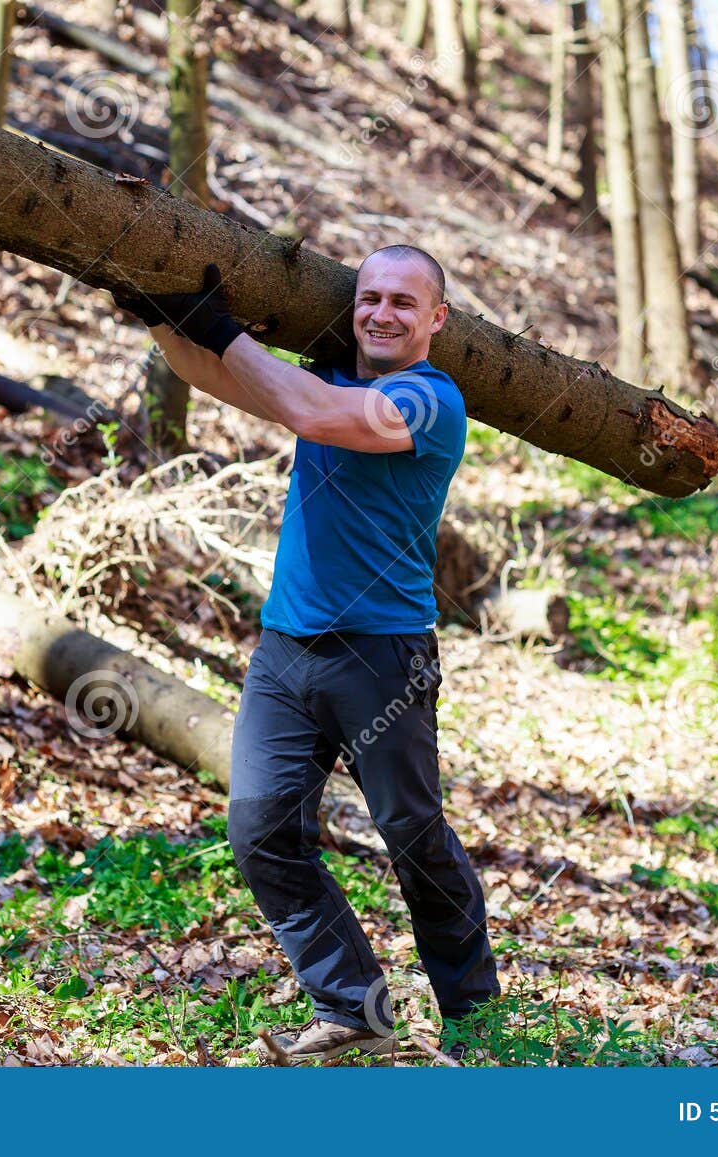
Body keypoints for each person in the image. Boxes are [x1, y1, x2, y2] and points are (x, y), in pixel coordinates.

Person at [114, 246, 499, 1062]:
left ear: (437, 318)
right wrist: (155, 309)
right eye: (369, 298)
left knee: (412, 835)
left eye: (404, 300)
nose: (383, 313)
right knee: (260, 830)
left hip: (383, 659)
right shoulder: (334, 388)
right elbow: (219, 378)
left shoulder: (431, 402)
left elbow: (308, 412)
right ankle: (353, 1006)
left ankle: (475, 1014)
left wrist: (220, 324)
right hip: (287, 652)